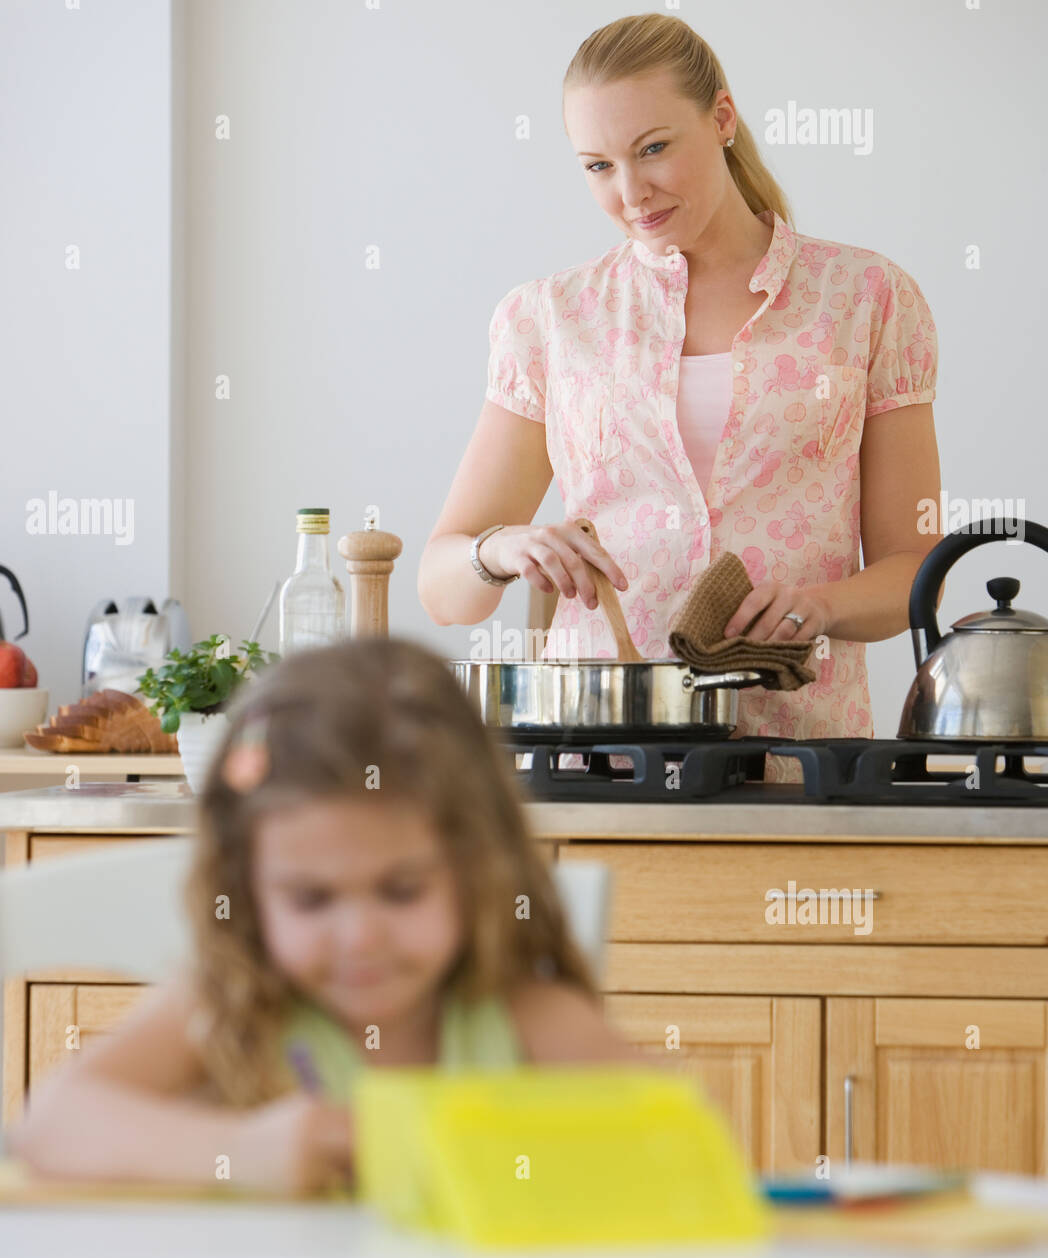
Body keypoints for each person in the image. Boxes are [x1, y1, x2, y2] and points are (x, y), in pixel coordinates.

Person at [418, 14, 943, 781]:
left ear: (722, 117)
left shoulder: (866, 299)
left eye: (654, 148)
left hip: (799, 762)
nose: (631, 193)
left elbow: (916, 569)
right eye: (598, 166)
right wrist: (502, 550)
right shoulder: (550, 319)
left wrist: (822, 607)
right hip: (598, 763)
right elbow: (443, 588)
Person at [10, 638, 635, 1196]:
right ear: (247, 893)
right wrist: (241, 1152)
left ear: (478, 870)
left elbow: (673, 1134)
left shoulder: (524, 1013)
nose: (359, 938)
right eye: (311, 900)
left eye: (401, 891)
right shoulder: (232, 1007)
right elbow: (51, 1126)